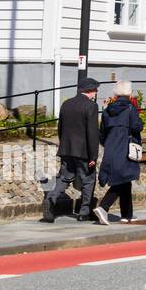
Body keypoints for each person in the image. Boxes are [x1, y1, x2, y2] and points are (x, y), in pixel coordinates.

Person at [42, 78, 102, 223]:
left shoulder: (66, 104)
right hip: (83, 152)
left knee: (64, 177)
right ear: (89, 90)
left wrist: (64, 145)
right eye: (95, 90)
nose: (96, 92)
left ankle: (50, 199)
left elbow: (60, 127)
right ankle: (84, 212)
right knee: (88, 180)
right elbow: (92, 133)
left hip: (67, 149)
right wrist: (93, 155)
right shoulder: (91, 106)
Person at [93, 81, 143, 225]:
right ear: (129, 93)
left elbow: (102, 132)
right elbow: (136, 127)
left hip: (111, 148)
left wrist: (108, 144)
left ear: (115, 93)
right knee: (122, 179)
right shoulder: (130, 108)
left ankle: (127, 215)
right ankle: (103, 207)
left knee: (125, 179)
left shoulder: (108, 109)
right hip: (125, 148)